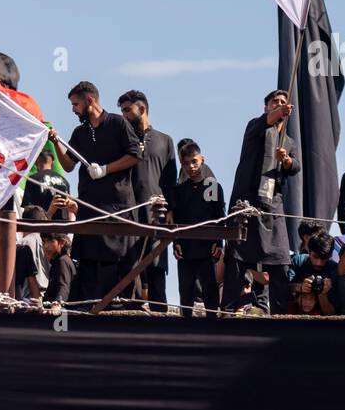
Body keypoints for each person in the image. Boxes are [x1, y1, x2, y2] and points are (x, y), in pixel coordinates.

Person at [50, 81, 143, 303]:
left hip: (116, 208)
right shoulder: (80, 132)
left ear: (90, 100)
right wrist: (55, 142)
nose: (74, 110)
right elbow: (69, 165)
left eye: (76, 104)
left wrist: (105, 170)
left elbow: (134, 155)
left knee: (115, 261)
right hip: (89, 207)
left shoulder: (118, 124)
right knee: (89, 261)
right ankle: (89, 306)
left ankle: (117, 306)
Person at [226, 89, 300, 314]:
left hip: (272, 206)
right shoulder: (255, 126)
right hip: (247, 203)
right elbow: (267, 121)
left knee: (279, 259)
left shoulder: (288, 141)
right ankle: (230, 310)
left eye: (282, 103)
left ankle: (278, 312)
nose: (279, 105)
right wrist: (278, 113)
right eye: (274, 102)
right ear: (266, 107)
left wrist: (286, 160)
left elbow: (295, 167)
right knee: (238, 258)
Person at [117, 90, 178, 310]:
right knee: (129, 270)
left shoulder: (165, 141)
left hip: (156, 216)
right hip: (128, 214)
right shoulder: (123, 141)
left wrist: (171, 209)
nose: (123, 115)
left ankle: (160, 322)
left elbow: (171, 179)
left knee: (156, 270)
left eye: (127, 110)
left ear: (141, 109)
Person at [172, 139, 225, 318]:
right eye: (186, 163)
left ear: (202, 159)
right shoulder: (179, 191)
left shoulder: (213, 187)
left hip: (207, 249)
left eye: (194, 161)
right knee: (185, 294)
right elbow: (177, 219)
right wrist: (176, 243)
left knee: (210, 293)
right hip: (186, 249)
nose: (191, 166)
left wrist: (219, 243)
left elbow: (219, 216)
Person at [290, 230, 345, 315]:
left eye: (324, 258)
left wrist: (322, 295)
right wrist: (300, 287)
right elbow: (284, 287)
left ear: (330, 256)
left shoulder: (334, 270)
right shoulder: (299, 261)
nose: (319, 263)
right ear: (309, 252)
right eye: (315, 257)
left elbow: (332, 314)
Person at [21, 149, 71, 213]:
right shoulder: (65, 182)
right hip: (63, 222)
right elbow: (69, 208)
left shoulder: (33, 179)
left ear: (36, 162)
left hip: (41, 222)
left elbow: (28, 209)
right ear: (52, 162)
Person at [38, 230, 76, 307]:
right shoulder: (57, 262)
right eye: (44, 242)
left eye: (50, 241)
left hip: (62, 314)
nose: (46, 246)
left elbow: (63, 287)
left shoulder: (63, 261)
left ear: (61, 243)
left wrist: (57, 305)